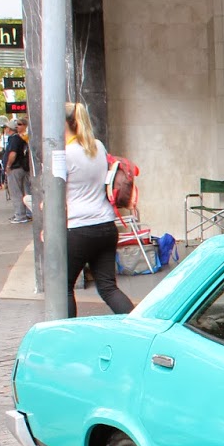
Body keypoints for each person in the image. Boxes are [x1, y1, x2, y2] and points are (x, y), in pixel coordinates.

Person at [62, 102, 134, 317]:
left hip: (78, 228)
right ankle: (138, 328)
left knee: (63, 287)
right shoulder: (98, 147)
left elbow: (56, 195)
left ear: (65, 123)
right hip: (105, 226)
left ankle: (66, 338)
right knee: (108, 287)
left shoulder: (64, 154)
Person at [4, 119, 33, 223]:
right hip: (23, 168)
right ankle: (28, 213)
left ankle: (20, 215)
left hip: (15, 168)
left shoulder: (14, 139)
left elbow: (13, 154)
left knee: (16, 192)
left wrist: (8, 165)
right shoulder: (21, 139)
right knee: (26, 191)